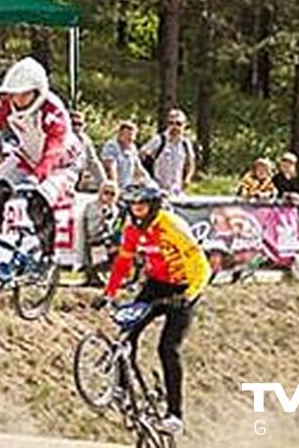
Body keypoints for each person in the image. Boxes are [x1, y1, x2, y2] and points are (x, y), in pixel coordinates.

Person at [0, 57, 84, 272]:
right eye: (14, 93)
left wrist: (36, 179)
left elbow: (53, 151)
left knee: (38, 200)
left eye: (23, 94)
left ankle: (47, 256)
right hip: (27, 156)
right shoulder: (7, 104)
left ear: (37, 91)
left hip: (61, 164)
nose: (17, 99)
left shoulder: (53, 113)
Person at [94, 186, 210, 436]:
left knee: (168, 348)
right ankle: (122, 391)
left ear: (153, 206)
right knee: (127, 335)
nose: (136, 210)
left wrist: (189, 295)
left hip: (184, 287)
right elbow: (123, 262)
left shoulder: (172, 226)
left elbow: (202, 265)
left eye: (142, 205)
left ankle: (175, 414)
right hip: (156, 285)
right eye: (133, 205)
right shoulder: (133, 230)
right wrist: (109, 292)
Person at [140, 109, 197, 196]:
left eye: (178, 124)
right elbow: (141, 155)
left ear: (184, 125)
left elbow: (191, 163)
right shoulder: (159, 140)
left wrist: (187, 179)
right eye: (171, 123)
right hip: (158, 189)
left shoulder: (185, 143)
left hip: (177, 190)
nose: (175, 127)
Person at [78, 180, 121, 284]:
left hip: (108, 239)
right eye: (106, 192)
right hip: (95, 239)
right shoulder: (91, 206)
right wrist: (102, 217)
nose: (109, 196)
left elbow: (115, 227)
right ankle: (95, 275)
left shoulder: (115, 210)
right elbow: (90, 228)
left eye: (112, 194)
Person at [102, 121, 154, 190]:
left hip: (127, 187)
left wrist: (151, 183)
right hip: (112, 188)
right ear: (120, 134)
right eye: (128, 135)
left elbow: (139, 168)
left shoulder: (132, 148)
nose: (130, 138)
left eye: (132, 136)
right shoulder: (111, 146)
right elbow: (111, 167)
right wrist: (115, 187)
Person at [70, 110, 108, 192]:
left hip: (75, 178)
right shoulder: (58, 136)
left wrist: (104, 184)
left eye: (80, 124)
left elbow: (93, 162)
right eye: (73, 124)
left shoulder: (85, 140)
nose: (76, 127)